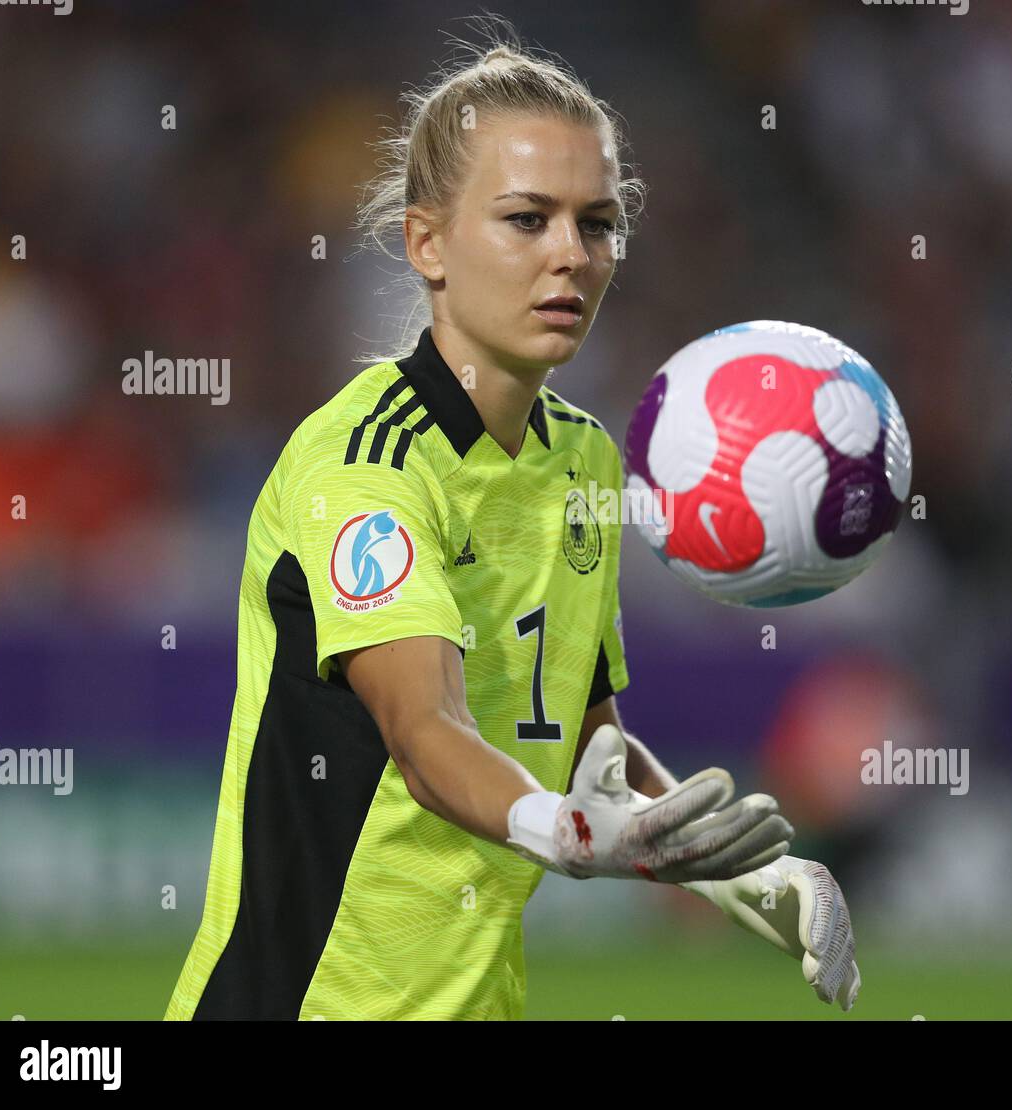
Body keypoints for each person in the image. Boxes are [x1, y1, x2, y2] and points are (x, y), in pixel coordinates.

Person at [165, 29, 856, 1021]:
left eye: (599, 223)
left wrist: (752, 882)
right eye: (527, 219)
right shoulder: (365, 465)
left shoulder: (580, 460)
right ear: (427, 244)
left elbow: (586, 746)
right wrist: (566, 834)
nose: (571, 255)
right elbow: (424, 732)